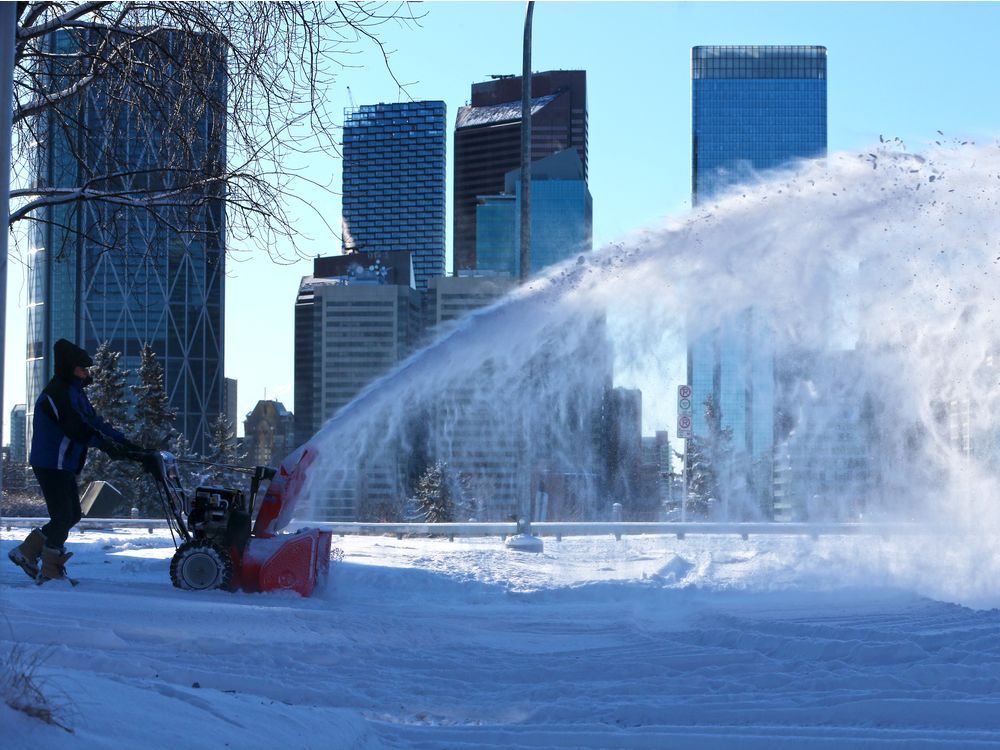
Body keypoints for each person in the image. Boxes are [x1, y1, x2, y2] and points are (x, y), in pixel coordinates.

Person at [8, 339, 140, 584]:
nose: (87, 372)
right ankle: (49, 570)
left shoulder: (75, 392)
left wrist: (126, 444)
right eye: (83, 368)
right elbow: (76, 427)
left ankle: (26, 551)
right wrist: (105, 444)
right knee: (62, 516)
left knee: (73, 515)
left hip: (64, 464)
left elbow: (94, 422)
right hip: (51, 463)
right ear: (70, 367)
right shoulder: (56, 393)